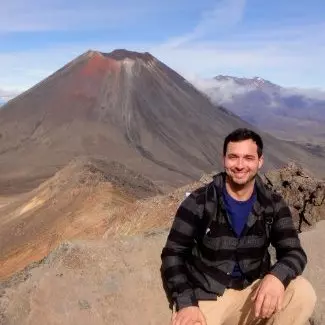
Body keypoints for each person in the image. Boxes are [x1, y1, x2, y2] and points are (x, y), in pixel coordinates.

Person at [161, 128, 316, 325]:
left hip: (252, 293)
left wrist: (277, 277)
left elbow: (294, 251)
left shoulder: (272, 204)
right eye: (233, 157)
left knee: (301, 293)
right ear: (224, 159)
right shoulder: (199, 202)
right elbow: (173, 254)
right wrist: (186, 303)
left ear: (260, 161)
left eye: (248, 158)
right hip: (206, 297)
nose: (240, 165)